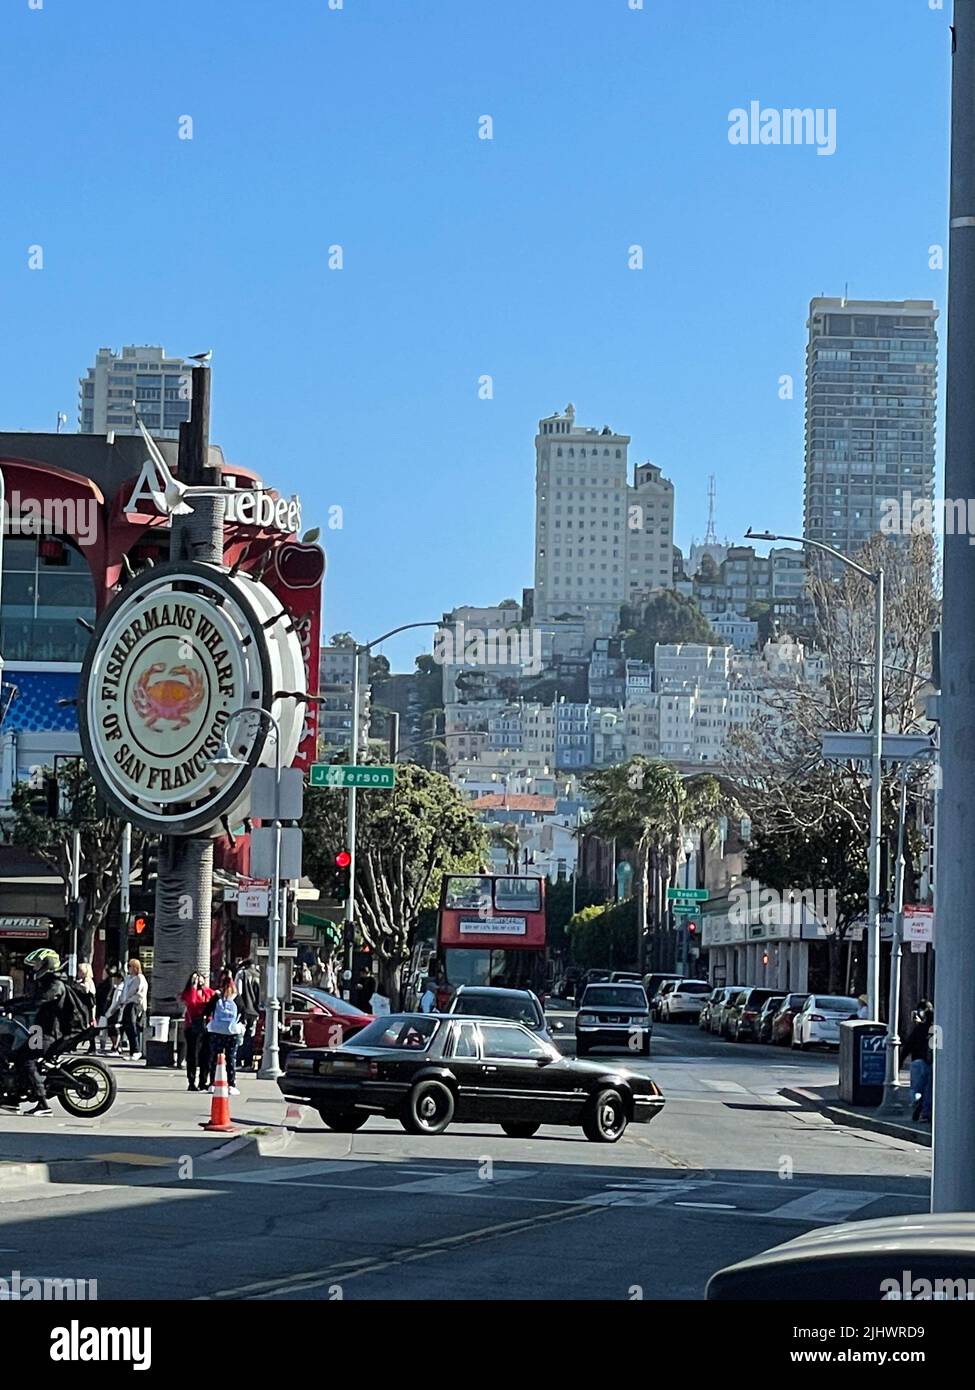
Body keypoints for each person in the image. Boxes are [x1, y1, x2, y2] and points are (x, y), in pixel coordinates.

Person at [5, 947, 67, 1116]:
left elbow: (37, 1002)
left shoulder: (55, 985)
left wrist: (15, 1007)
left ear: (48, 965)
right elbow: (29, 999)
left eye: (39, 964)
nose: (35, 968)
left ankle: (43, 1104)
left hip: (50, 1033)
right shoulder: (46, 983)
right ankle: (14, 1098)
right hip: (40, 1030)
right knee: (15, 1054)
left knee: (26, 1059)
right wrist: (7, 1004)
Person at [203, 976, 244, 1094]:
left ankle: (213, 1083)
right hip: (232, 1032)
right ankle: (231, 1084)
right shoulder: (237, 998)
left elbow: (206, 1011)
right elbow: (243, 1013)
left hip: (216, 1031)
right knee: (231, 1058)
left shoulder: (217, 997)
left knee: (215, 1058)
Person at [105, 959, 148, 1061]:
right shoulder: (128, 978)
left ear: (135, 968)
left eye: (130, 966)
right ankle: (133, 1050)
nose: (128, 968)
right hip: (125, 1004)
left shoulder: (139, 978)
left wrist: (129, 1000)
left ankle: (136, 1050)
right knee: (126, 1026)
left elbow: (140, 994)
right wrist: (117, 1006)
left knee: (132, 1026)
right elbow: (123, 993)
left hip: (134, 1004)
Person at [180, 971, 215, 1092]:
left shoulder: (209, 992)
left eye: (200, 979)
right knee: (192, 1055)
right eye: (195, 980)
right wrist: (193, 988)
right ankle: (191, 1081)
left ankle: (203, 1081)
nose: (199, 982)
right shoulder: (188, 993)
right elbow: (192, 1003)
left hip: (207, 1027)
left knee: (206, 1055)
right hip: (192, 1027)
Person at [902, 1001, 934, 1122]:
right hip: (931, 1064)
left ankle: (916, 1100)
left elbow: (908, 1046)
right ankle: (925, 1111)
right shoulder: (937, 1029)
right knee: (928, 1088)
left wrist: (900, 1062)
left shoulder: (919, 1028)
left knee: (916, 1088)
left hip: (917, 1062)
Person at [233, 958, 261, 1071]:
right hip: (254, 1011)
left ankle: (238, 1061)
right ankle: (248, 1063)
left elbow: (238, 993)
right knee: (250, 1037)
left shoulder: (242, 974)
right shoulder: (258, 975)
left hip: (244, 1010)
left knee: (240, 1036)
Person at [96, 969, 124, 1054]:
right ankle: (116, 1046)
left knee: (113, 1030)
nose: (114, 980)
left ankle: (116, 1047)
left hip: (114, 1012)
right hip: (114, 1011)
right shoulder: (117, 988)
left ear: (119, 978)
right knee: (113, 1030)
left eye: (115, 978)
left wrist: (109, 1013)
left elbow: (115, 1002)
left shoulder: (119, 989)